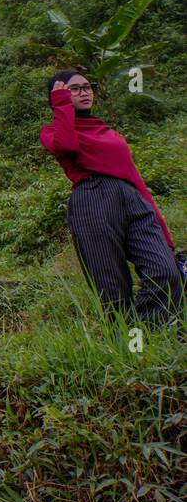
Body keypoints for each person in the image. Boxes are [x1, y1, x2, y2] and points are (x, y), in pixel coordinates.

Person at [40, 71, 183, 323]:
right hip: (93, 200)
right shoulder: (52, 132)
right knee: (112, 287)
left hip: (133, 200)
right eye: (74, 89)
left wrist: (164, 232)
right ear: (58, 96)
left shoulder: (109, 133)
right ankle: (127, 343)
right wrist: (61, 104)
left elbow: (135, 178)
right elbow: (68, 146)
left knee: (165, 271)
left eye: (87, 86)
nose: (84, 92)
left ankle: (147, 329)